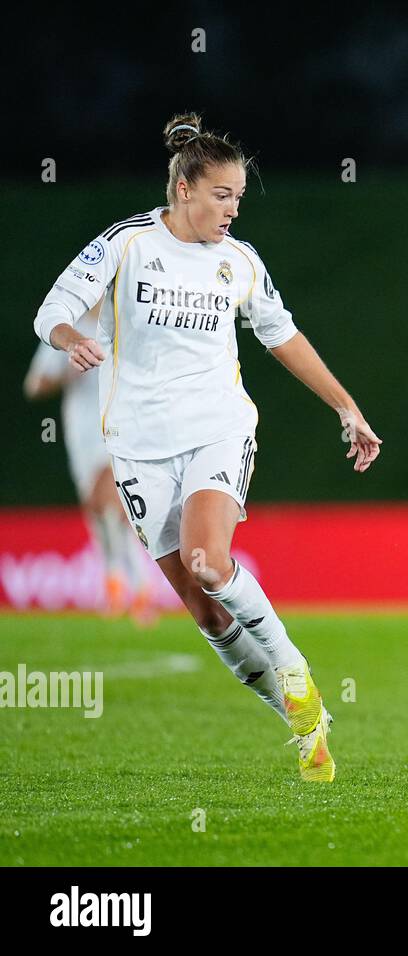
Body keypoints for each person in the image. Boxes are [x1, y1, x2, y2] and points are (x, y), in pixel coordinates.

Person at [31, 113, 383, 782]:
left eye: (240, 198)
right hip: (136, 444)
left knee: (210, 562)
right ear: (184, 188)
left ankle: (292, 666)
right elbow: (52, 306)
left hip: (216, 428)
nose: (233, 209)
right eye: (223, 194)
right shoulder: (127, 243)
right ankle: (302, 723)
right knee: (203, 605)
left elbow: (284, 338)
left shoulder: (239, 262)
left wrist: (347, 406)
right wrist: (66, 337)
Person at [25, 301, 155, 624]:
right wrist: (67, 371)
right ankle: (131, 585)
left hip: (118, 428)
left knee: (110, 500)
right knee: (99, 510)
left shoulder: (126, 324)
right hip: (79, 435)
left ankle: (125, 583)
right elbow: (34, 385)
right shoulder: (68, 330)